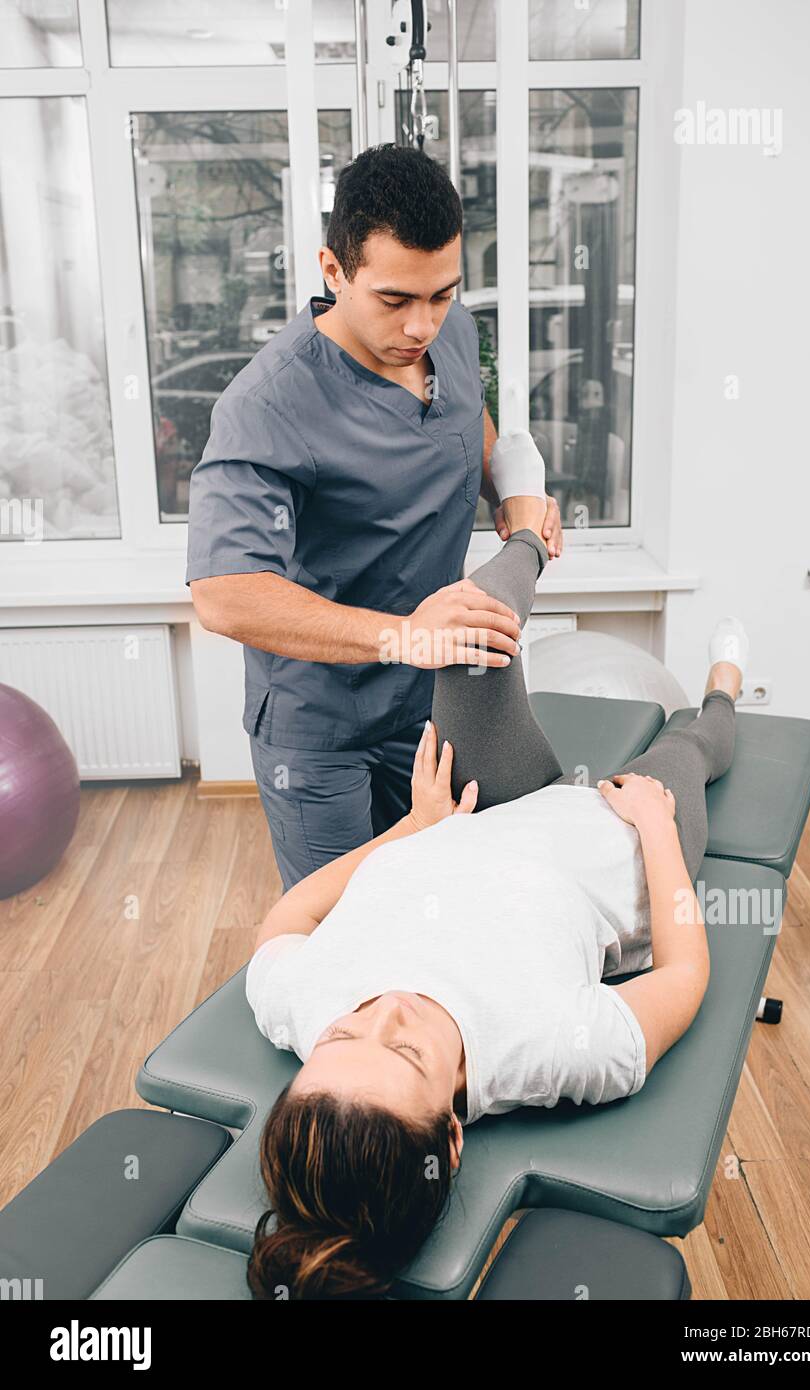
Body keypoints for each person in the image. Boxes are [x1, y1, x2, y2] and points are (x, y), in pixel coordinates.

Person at [243, 485, 749, 1300]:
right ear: (450, 1130)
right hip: (615, 839)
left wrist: (409, 829)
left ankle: (532, 538)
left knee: (465, 635)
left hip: (481, 809)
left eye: (344, 1037)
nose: (385, 1015)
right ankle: (726, 688)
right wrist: (656, 828)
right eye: (406, 1054)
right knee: (691, 750)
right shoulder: (555, 1051)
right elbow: (683, 978)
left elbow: (287, 915)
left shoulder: (295, 1009)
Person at [185, 142, 562, 891]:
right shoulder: (268, 405)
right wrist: (404, 637)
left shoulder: (451, 333)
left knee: (438, 895)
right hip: (320, 730)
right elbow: (223, 594)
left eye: (442, 294)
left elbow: (467, 425)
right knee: (346, 930)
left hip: (428, 702)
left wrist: (510, 493)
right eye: (394, 300)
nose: (421, 325)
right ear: (334, 272)